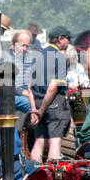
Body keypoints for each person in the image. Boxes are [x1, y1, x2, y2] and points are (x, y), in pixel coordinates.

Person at [30, 33, 73, 162]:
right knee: (55, 141)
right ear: (60, 39)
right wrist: (42, 111)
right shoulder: (59, 57)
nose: (69, 42)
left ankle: (34, 176)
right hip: (53, 103)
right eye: (68, 38)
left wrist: (34, 109)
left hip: (37, 101)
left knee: (39, 141)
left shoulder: (37, 55)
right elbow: (52, 87)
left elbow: (29, 86)